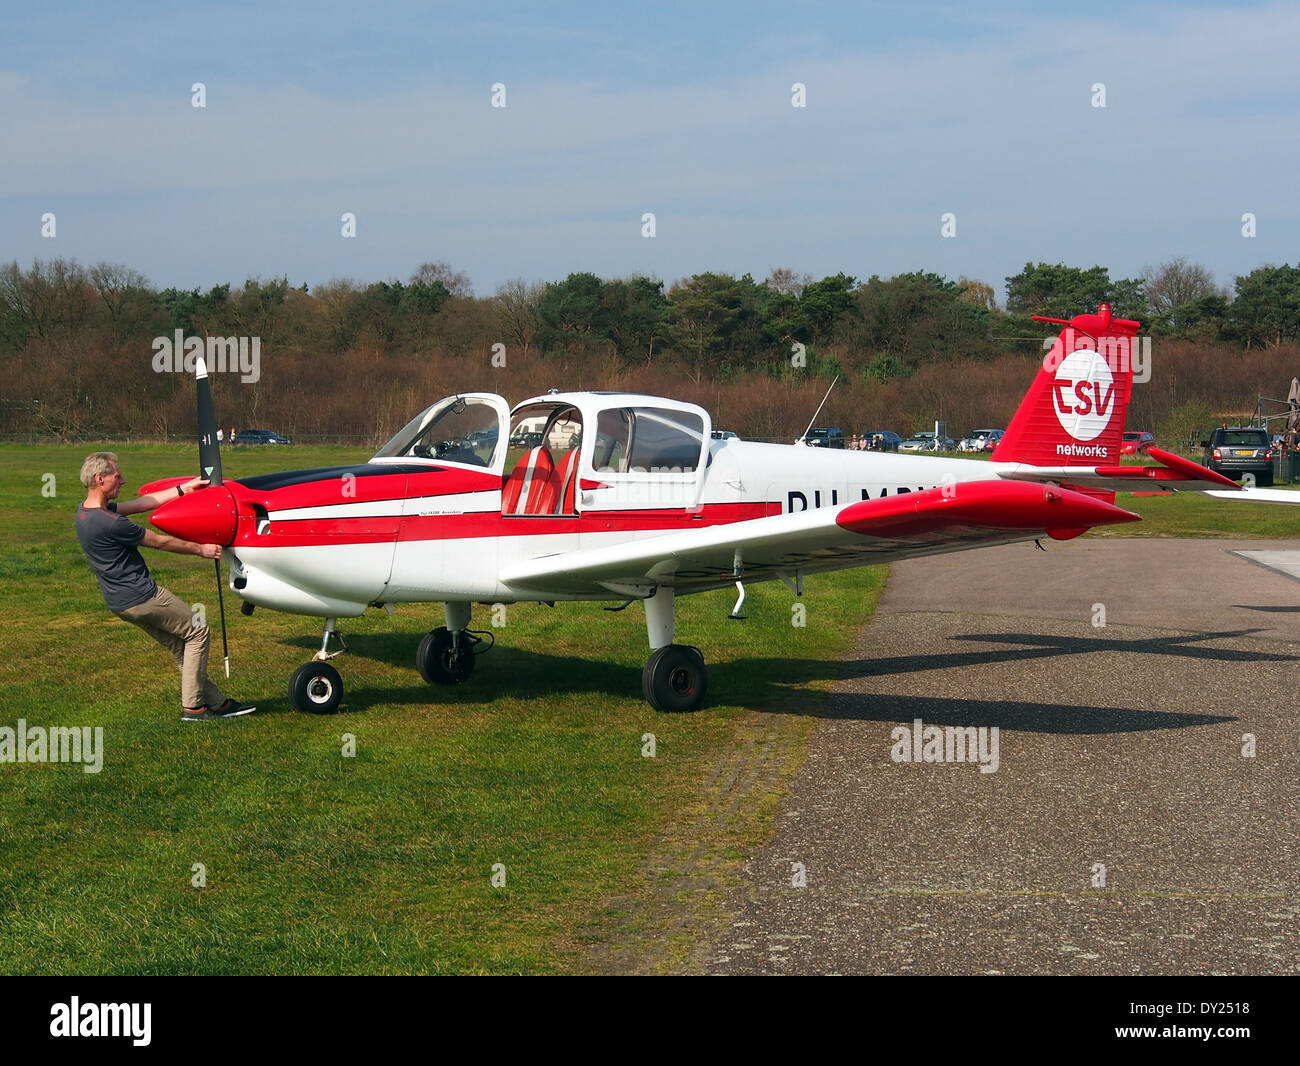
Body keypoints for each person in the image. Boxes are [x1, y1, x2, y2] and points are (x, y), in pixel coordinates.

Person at [75, 452, 256, 721]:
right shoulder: (112, 524)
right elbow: (160, 542)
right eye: (117, 475)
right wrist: (202, 549)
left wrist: (183, 489)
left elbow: (139, 504)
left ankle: (217, 702)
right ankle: (194, 708)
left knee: (182, 646)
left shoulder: (87, 512)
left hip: (119, 602)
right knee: (198, 631)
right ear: (100, 479)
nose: (122, 480)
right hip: (143, 597)